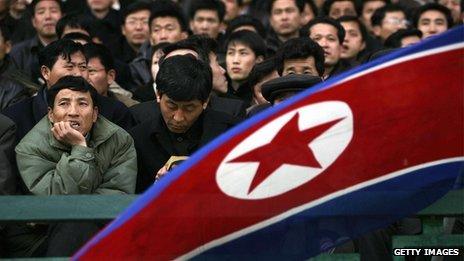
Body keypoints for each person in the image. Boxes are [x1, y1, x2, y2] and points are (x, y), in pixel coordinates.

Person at [14, 76, 136, 256]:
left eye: (82, 104)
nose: (73, 111)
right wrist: (79, 148)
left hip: (105, 229)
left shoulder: (119, 140)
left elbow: (117, 197)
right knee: (75, 225)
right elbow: (56, 205)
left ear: (95, 114)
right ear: (50, 113)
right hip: (45, 236)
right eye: (63, 104)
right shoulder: (30, 148)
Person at [130, 55, 238, 193]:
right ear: (158, 94)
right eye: (171, 106)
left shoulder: (232, 133)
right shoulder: (138, 139)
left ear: (205, 101)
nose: (178, 117)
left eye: (189, 108)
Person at [2, 39, 135, 144]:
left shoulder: (114, 112)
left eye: (83, 67)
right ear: (46, 72)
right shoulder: (15, 117)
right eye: (69, 67)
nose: (78, 74)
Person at [129, 0, 188, 88]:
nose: (163, 36)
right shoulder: (138, 67)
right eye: (156, 30)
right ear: (151, 38)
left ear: (184, 36)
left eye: (169, 29)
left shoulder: (196, 61)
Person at [10, 0, 63, 84]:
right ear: (34, 21)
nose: (48, 16)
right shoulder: (18, 53)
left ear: (63, 17)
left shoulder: (74, 50)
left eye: (53, 11)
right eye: (41, 12)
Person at [84, 43, 139, 107]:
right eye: (82, 70)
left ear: (110, 76)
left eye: (91, 71)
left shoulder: (131, 109)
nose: (84, 77)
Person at [225, 30, 265, 105]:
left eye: (243, 53)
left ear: (259, 60)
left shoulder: (263, 96)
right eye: (231, 53)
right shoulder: (216, 92)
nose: (235, 60)